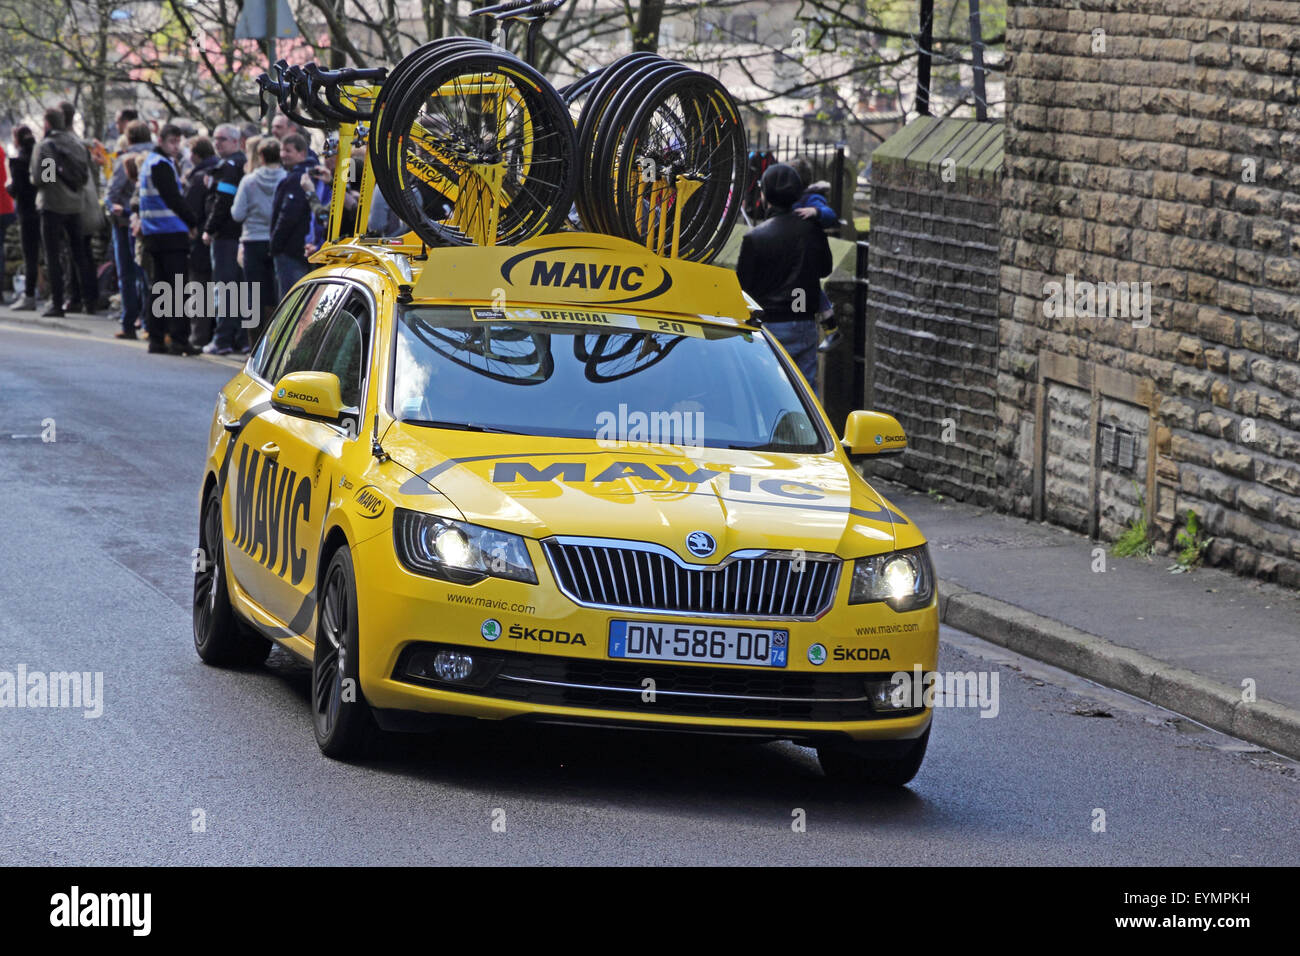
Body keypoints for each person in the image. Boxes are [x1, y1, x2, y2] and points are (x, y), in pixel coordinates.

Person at [735, 162, 831, 385]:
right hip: (804, 321)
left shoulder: (755, 238)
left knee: (767, 387)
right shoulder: (813, 231)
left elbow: (743, 288)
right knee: (805, 388)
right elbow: (825, 268)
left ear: (765, 194)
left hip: (771, 324)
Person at [136, 123, 200, 354]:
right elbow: (173, 198)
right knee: (177, 290)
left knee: (159, 288)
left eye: (178, 141)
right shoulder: (161, 164)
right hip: (170, 233)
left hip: (154, 233)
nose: (175, 146)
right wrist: (192, 222)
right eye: (172, 141)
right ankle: (179, 339)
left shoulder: (149, 163)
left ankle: (156, 338)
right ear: (161, 140)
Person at [29, 106, 98, 318]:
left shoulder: (48, 145)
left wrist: (33, 178)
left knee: (53, 256)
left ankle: (57, 303)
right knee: (80, 255)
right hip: (76, 206)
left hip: (53, 206)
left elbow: (46, 177)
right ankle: (90, 301)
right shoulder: (77, 144)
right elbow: (85, 175)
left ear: (47, 123)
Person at [231, 137, 284, 344]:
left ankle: (254, 343)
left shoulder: (249, 181)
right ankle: (271, 343)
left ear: (260, 156)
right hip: (276, 240)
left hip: (252, 240)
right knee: (273, 293)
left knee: (253, 294)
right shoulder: (286, 178)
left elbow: (237, 213)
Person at [202, 124, 248, 353]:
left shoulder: (230, 167)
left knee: (226, 289)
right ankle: (238, 339)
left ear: (235, 141)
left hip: (226, 236)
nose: (217, 143)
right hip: (235, 236)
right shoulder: (236, 164)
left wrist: (209, 228)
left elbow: (223, 202)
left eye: (222, 139)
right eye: (215, 138)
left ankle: (222, 340)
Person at [106, 120, 153, 339]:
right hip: (153, 224)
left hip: (126, 223)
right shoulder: (159, 156)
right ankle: (147, 323)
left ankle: (129, 323)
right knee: (146, 275)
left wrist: (113, 207)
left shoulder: (126, 159)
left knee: (127, 274)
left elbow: (112, 192)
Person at [268, 133, 315, 300]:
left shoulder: (297, 178)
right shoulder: (303, 175)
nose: (282, 155)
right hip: (299, 249)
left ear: (302, 153)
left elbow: (288, 215)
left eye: (288, 151)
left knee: (291, 301)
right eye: (281, 150)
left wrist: (275, 245)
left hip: (291, 251)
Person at [182, 136, 218, 345]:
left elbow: (191, 210)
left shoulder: (198, 178)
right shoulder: (217, 172)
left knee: (199, 289)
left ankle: (199, 335)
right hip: (215, 237)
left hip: (200, 240)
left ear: (195, 154)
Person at [8, 126, 40, 310]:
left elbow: (16, 190)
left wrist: (8, 187)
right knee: (55, 255)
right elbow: (50, 181)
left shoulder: (18, 161)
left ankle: (29, 295)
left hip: (27, 212)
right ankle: (58, 296)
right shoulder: (45, 155)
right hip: (45, 209)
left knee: (31, 255)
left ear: (17, 140)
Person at [0, 138, 15, 304]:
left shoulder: (46, 150)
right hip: (6, 208)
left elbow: (47, 179)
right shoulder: (2, 151)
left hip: (50, 207)